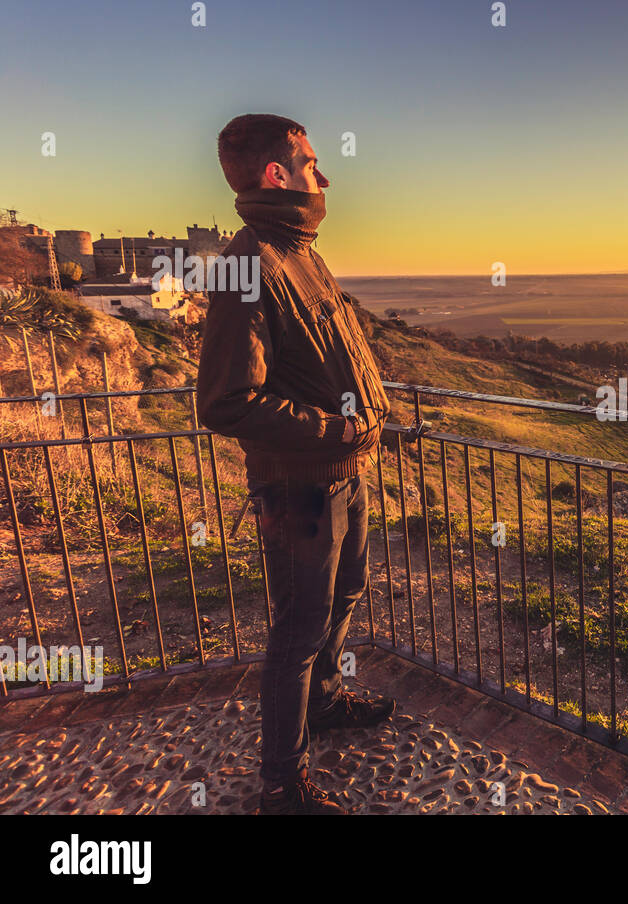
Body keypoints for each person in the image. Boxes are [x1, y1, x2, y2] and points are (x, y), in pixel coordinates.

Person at [197, 113, 394, 814]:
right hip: (299, 486)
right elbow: (225, 401)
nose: (325, 174)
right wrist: (334, 427)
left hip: (343, 473)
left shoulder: (298, 251)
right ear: (277, 175)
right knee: (299, 630)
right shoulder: (251, 265)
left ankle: (329, 703)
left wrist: (359, 431)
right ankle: (282, 783)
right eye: (312, 162)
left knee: (344, 598)